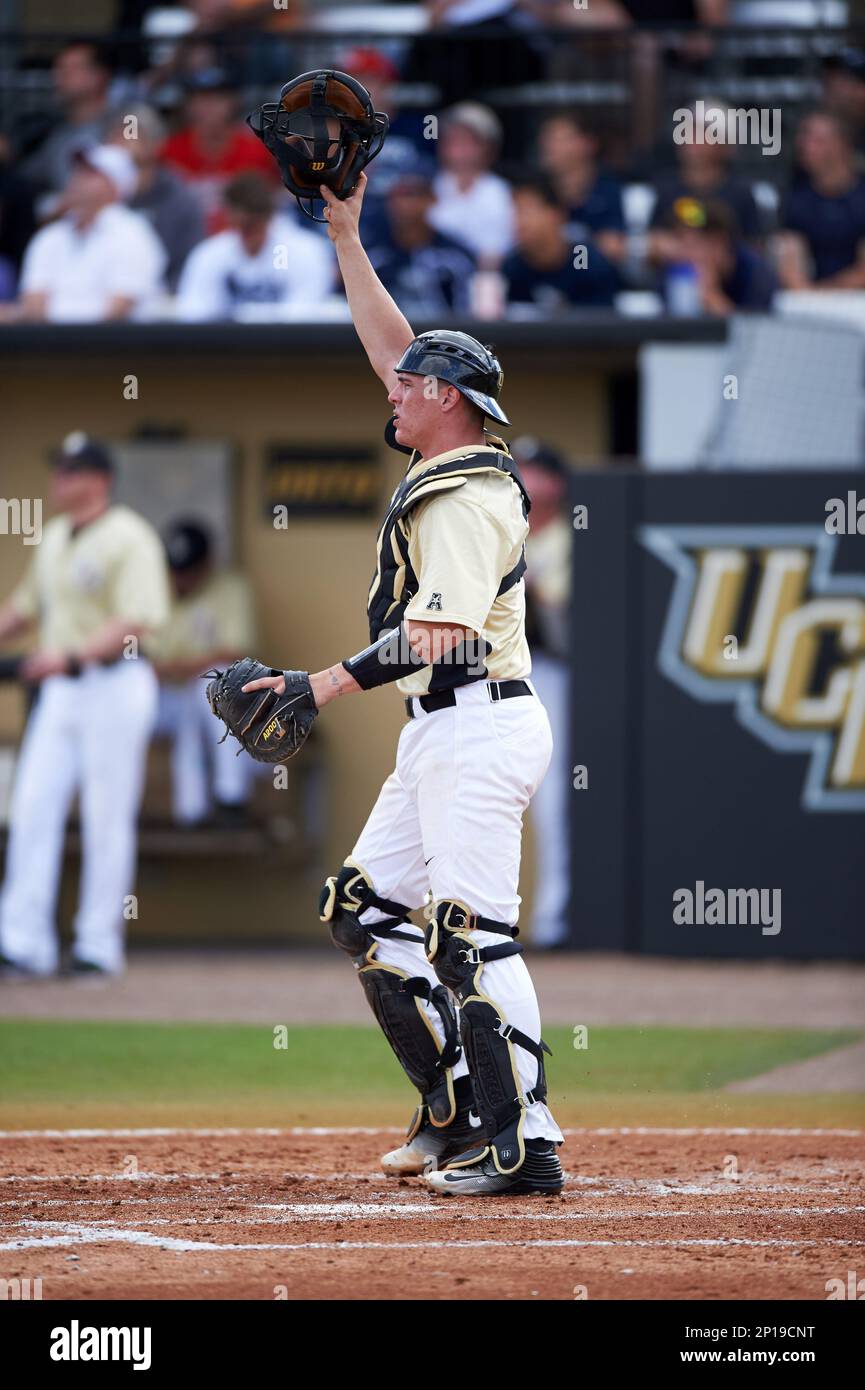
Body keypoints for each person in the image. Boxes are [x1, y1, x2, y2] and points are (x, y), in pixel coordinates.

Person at [242, 167, 565, 1197]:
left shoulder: (468, 497)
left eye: (409, 384)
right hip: (441, 733)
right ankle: (457, 1110)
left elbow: (442, 634)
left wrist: (319, 683)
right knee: (365, 907)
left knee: (469, 934)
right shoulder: (445, 454)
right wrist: (345, 232)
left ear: (448, 400)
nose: (389, 386)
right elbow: (394, 348)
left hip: (479, 722)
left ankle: (524, 1143)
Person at [0, 434, 170, 978]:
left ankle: (98, 945)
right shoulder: (53, 537)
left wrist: (69, 656)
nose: (59, 481)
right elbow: (25, 609)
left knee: (105, 815)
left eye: (71, 472)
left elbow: (136, 619)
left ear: (99, 479)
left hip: (114, 683)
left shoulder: (130, 536)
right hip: (62, 690)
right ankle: (24, 942)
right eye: (60, 471)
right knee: (32, 807)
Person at [509, 438, 572, 950]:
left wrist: (524, 588)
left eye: (537, 473)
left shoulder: (571, 538)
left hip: (552, 671)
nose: (528, 482)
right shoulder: (505, 531)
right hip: (498, 675)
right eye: (522, 471)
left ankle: (554, 920)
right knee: (496, 794)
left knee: (553, 798)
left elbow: (562, 618)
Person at [152, 520, 257, 825]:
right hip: (163, 702)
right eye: (175, 570)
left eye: (188, 570)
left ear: (208, 563)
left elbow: (235, 656)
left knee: (215, 682)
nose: (180, 578)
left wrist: (177, 668)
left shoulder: (230, 589)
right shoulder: (154, 592)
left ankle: (229, 799)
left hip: (211, 702)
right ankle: (189, 811)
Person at [1, 145, 166, 323]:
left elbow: (116, 311)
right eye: (77, 172)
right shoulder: (50, 236)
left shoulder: (134, 234)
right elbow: (33, 306)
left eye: (90, 174)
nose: (77, 179)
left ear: (115, 186)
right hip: (52, 346)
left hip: (117, 347)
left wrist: (41, 314)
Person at [175, 172, 334, 320]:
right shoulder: (209, 254)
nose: (245, 232)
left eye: (251, 225)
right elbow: (194, 313)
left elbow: (303, 317)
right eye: (238, 224)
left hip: (285, 347)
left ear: (268, 217)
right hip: (225, 346)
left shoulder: (306, 251)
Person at [159, 67, 277, 233]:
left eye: (217, 99)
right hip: (183, 238)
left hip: (238, 240)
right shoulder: (169, 150)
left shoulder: (256, 150)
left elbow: (270, 203)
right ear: (189, 105)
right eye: (201, 99)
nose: (209, 107)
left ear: (233, 103)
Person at [105, 104, 205, 292]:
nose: (123, 143)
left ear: (156, 143)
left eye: (133, 134)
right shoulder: (96, 195)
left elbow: (188, 265)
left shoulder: (179, 198)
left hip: (163, 300)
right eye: (116, 136)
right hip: (104, 296)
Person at [365, 159, 476, 316]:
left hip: (444, 338)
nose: (402, 203)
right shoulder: (372, 256)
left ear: (432, 198)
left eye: (411, 195)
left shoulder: (456, 256)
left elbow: (471, 313)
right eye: (395, 195)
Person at [776, 109, 865, 291]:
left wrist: (822, 293)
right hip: (810, 300)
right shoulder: (796, 197)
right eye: (803, 138)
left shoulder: (861, 196)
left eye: (816, 140)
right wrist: (807, 294)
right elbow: (789, 262)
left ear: (842, 145)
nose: (804, 145)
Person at [502, 174, 619, 310]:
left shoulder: (587, 263)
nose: (519, 221)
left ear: (557, 214)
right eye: (515, 211)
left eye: (526, 210)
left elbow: (603, 324)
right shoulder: (513, 268)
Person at [22, 41, 115, 196]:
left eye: (69, 70)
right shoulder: (54, 133)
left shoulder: (128, 117)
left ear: (98, 77)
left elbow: (133, 147)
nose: (58, 77)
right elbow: (26, 178)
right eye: (57, 69)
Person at [428, 103, 516, 266]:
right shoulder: (427, 189)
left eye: (469, 141)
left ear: (488, 147)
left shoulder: (502, 192)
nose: (460, 150)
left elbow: (500, 252)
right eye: (453, 140)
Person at [537, 110, 627, 266]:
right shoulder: (535, 190)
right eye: (547, 138)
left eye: (559, 139)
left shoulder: (609, 190)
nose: (549, 146)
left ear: (588, 144)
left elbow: (613, 247)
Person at [662, 198, 776, 314]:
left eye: (691, 245)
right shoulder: (676, 270)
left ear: (718, 242)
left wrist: (711, 295)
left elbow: (751, 328)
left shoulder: (757, 275)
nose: (682, 253)